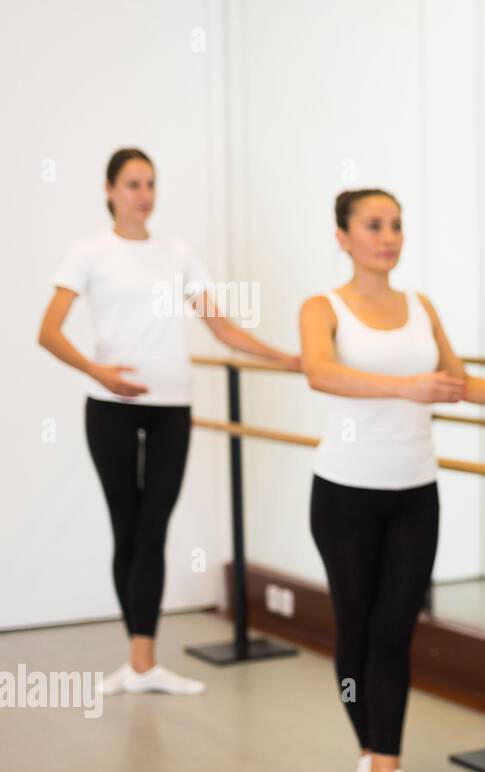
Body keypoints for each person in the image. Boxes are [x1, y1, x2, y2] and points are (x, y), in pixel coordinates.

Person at [301, 188, 485, 772]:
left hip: (415, 491)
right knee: (355, 626)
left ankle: (384, 765)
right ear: (343, 237)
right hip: (345, 492)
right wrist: (405, 386)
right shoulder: (323, 306)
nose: (388, 236)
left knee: (395, 627)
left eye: (397, 226)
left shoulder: (420, 306)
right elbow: (320, 372)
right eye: (374, 225)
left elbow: (457, 383)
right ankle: (373, 758)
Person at [37, 147, 299, 697]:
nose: (144, 194)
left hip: (170, 406)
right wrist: (96, 370)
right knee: (126, 529)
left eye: (151, 183)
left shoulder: (176, 254)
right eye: (133, 184)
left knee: (153, 528)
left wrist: (288, 358)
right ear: (109, 191)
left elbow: (221, 327)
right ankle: (136, 657)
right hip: (109, 407)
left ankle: (144, 661)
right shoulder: (89, 251)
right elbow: (50, 331)